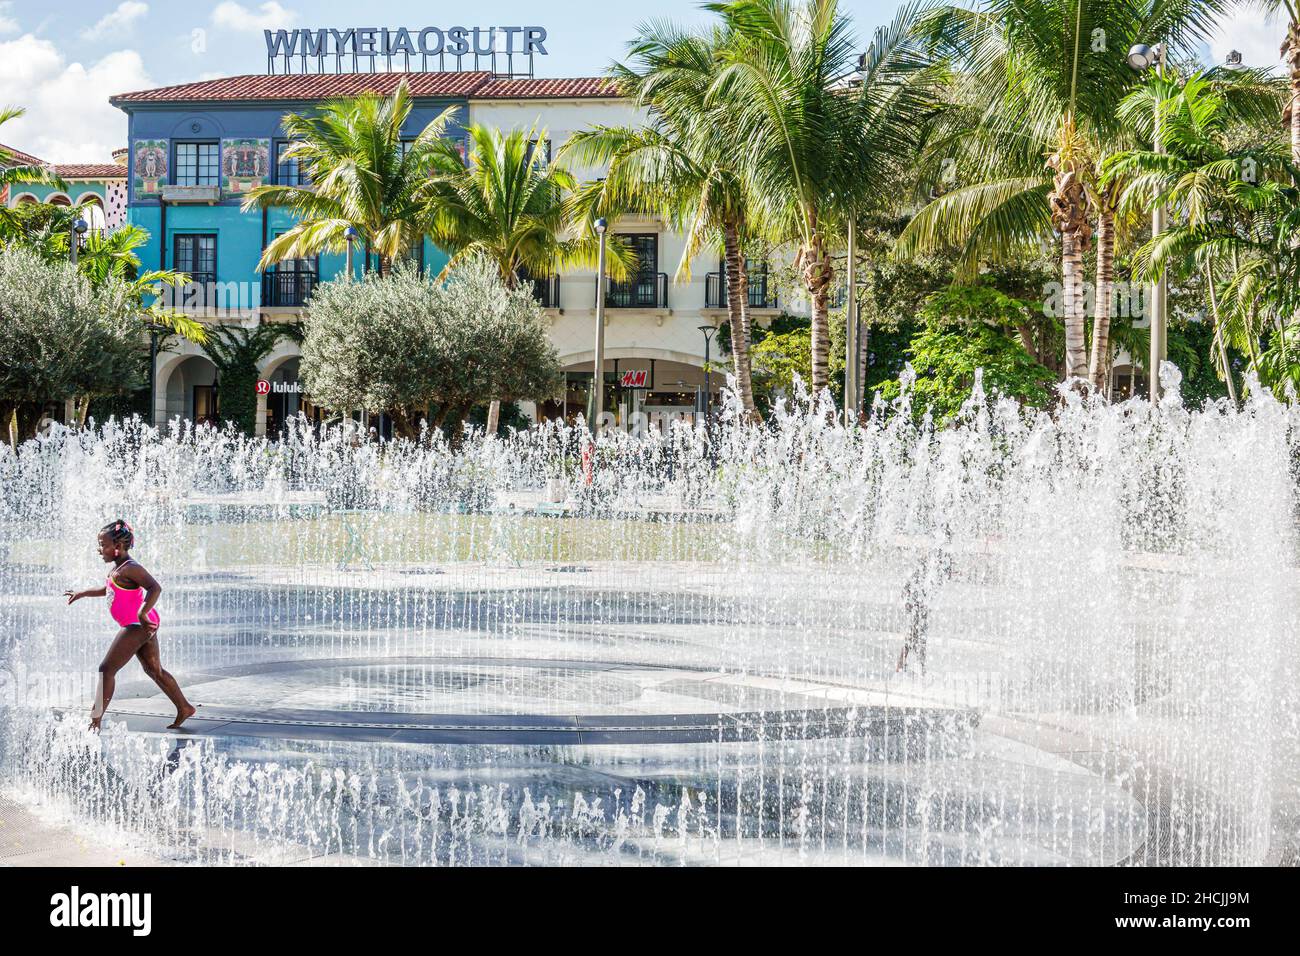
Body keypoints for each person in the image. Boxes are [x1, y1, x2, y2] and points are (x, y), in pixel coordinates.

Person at [64, 520, 195, 731]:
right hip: (141, 623)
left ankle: (94, 721)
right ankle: (184, 707)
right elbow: (108, 590)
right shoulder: (119, 569)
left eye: (102, 545)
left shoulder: (131, 568)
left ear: (117, 547)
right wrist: (82, 593)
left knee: (106, 669)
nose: (99, 550)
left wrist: (142, 612)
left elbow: (155, 588)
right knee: (154, 670)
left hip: (138, 624)